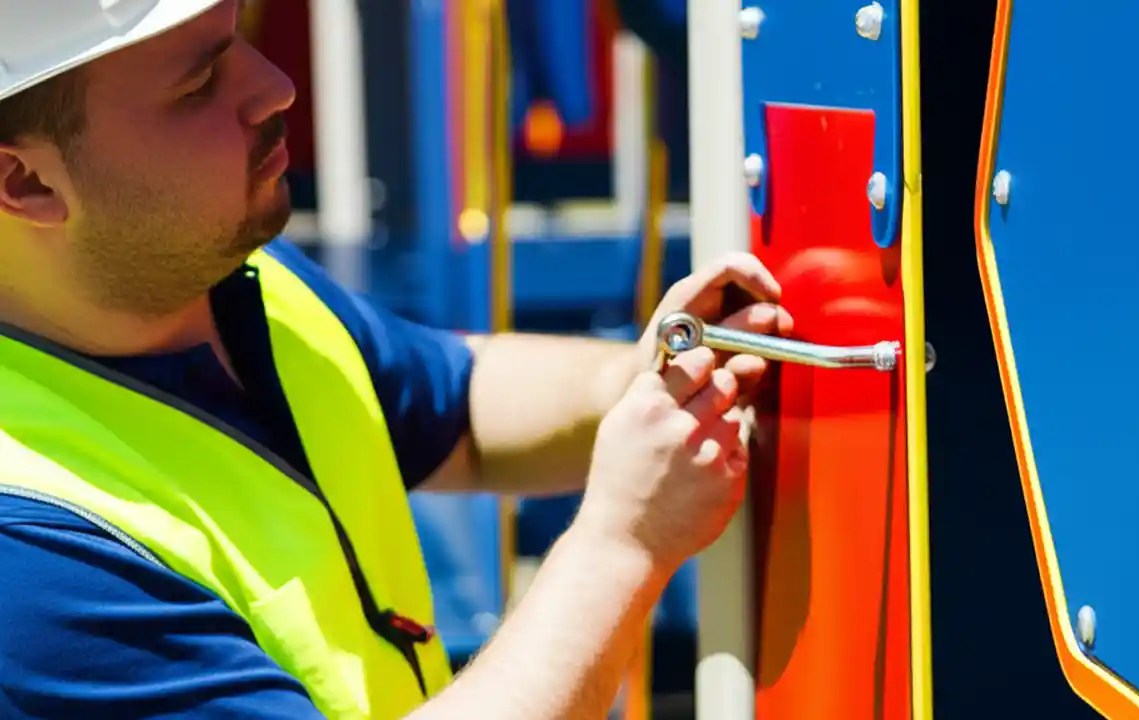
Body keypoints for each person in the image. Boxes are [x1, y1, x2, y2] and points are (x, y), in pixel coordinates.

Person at [0, 1, 792, 718]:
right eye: (200, 83)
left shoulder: (210, 280)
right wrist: (623, 541)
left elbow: (460, 407)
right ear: (22, 179)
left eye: (237, 36)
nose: (273, 86)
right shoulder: (29, 562)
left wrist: (654, 376)